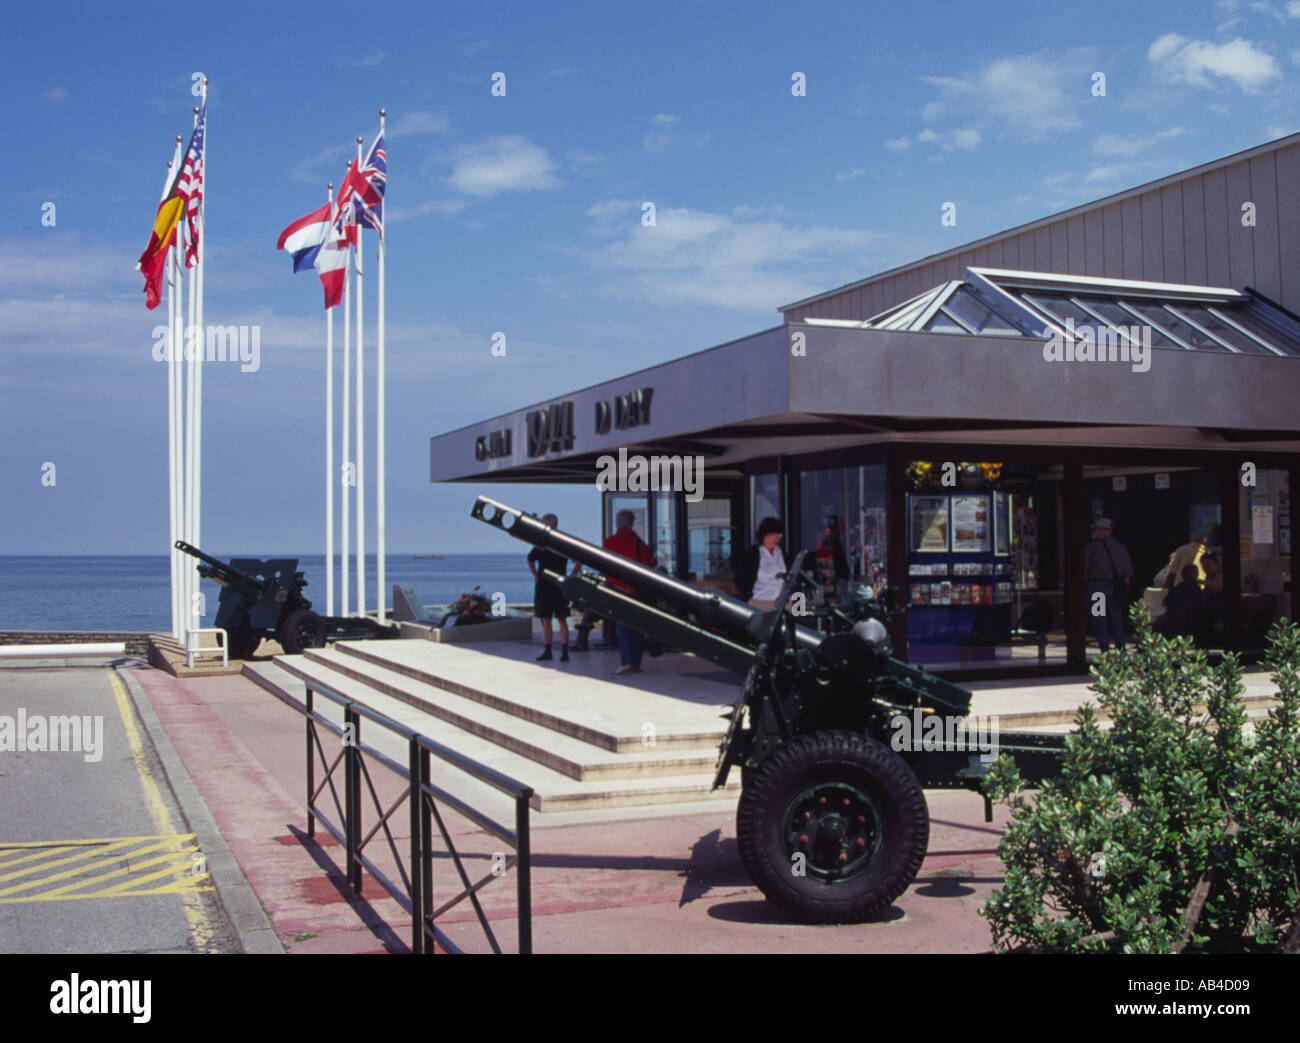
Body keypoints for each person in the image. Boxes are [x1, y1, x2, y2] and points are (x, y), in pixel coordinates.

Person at [603, 509, 656, 676]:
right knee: (635, 627)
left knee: (623, 628)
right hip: (637, 591)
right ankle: (635, 662)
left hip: (618, 590)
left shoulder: (610, 542)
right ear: (632, 523)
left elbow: (605, 566)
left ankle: (627, 662)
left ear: (617, 523)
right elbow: (650, 567)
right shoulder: (641, 545)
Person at [1083, 517, 1134, 653]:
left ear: (1101, 530)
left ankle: (1104, 648)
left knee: (1099, 619)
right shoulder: (1121, 548)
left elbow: (1084, 572)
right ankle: (1121, 647)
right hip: (1115, 588)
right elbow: (1127, 576)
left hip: (1096, 588)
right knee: (1116, 618)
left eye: (1096, 529)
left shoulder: (1091, 548)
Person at [526, 514, 570, 662]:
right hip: (552, 585)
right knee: (550, 620)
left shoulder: (544, 542)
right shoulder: (557, 542)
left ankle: (560, 651)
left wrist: (535, 576)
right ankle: (553, 651)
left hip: (552, 585)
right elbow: (530, 559)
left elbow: (530, 559)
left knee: (556, 620)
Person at [735, 517, 786, 608]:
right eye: (771, 536)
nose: (775, 540)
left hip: (781, 602)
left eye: (777, 536)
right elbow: (740, 579)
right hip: (759, 601)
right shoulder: (752, 553)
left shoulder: (781, 552)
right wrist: (749, 599)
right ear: (763, 536)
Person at [1162, 564, 1202, 637]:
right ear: (1197, 575)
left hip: (1174, 625)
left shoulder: (1177, 589)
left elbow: (1164, 603)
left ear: (1182, 574)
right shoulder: (1198, 591)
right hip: (1192, 627)